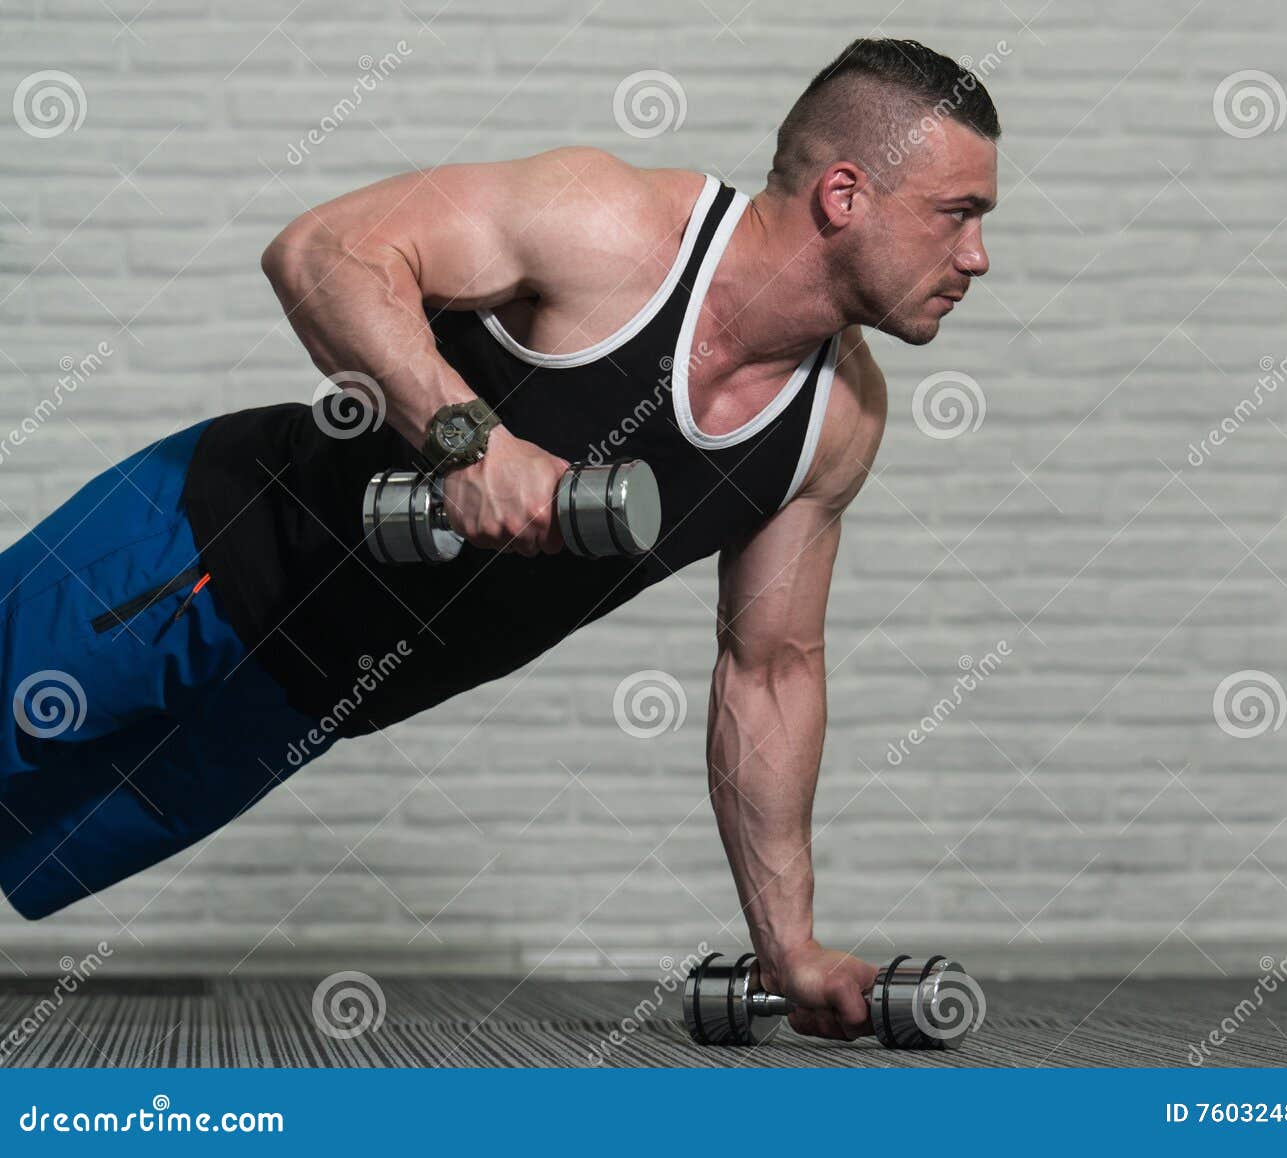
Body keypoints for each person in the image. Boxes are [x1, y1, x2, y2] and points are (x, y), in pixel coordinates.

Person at [0, 37, 997, 1043]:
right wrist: (467, 444)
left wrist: (789, 949)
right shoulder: (610, 225)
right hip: (192, 551)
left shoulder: (836, 423)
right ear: (843, 196)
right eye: (956, 216)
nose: (976, 257)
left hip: (299, 700)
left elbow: (770, 670)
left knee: (26, 841)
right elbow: (321, 253)